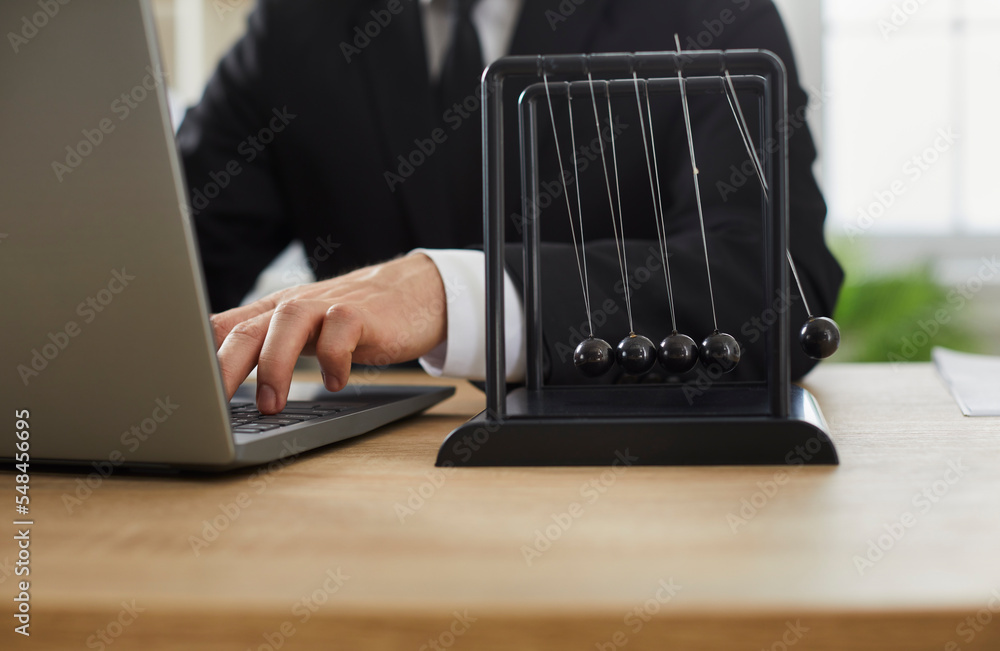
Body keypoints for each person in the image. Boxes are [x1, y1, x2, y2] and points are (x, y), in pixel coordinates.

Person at [178, 0, 843, 414]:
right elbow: (171, 271)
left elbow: (776, 281)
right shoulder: (295, 28)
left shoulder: (706, 15)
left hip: (630, 500)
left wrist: (455, 293)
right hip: (364, 500)